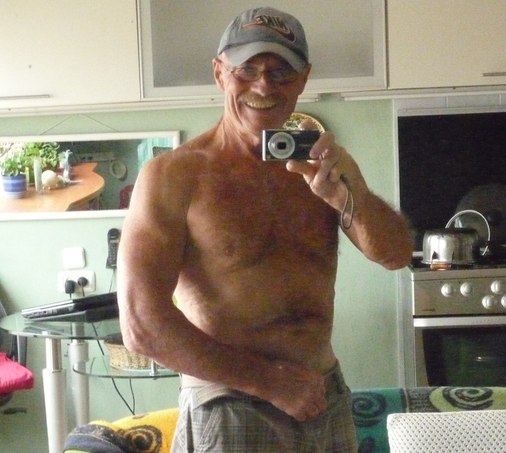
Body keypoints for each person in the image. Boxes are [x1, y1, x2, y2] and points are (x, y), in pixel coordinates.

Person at [117, 6, 413, 452]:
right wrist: (269, 382)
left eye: (281, 72)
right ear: (220, 73)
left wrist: (351, 196)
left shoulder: (319, 165)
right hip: (231, 403)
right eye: (247, 70)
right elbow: (142, 324)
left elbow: (395, 254)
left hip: (323, 396)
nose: (263, 86)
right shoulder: (175, 175)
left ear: (304, 78)